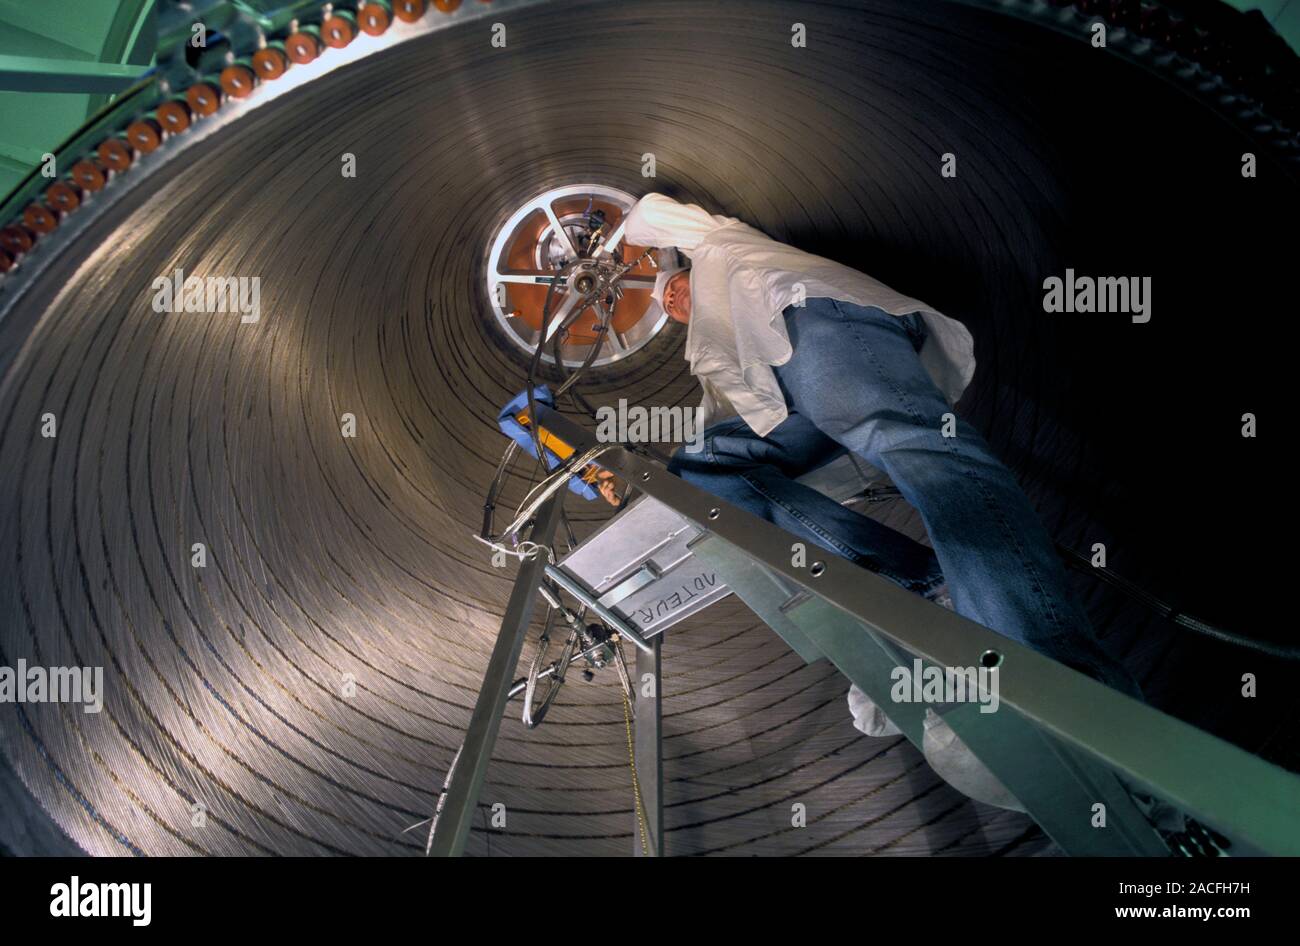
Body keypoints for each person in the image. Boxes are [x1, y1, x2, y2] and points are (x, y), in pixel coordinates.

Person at [619, 192, 1141, 702]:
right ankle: (918, 593)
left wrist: (622, 250)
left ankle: (1052, 679)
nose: (676, 300)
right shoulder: (710, 350)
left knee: (921, 455)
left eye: (676, 287)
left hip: (812, 323)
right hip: (794, 395)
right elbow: (724, 427)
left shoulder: (719, 242)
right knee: (702, 471)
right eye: (668, 304)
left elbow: (649, 212)